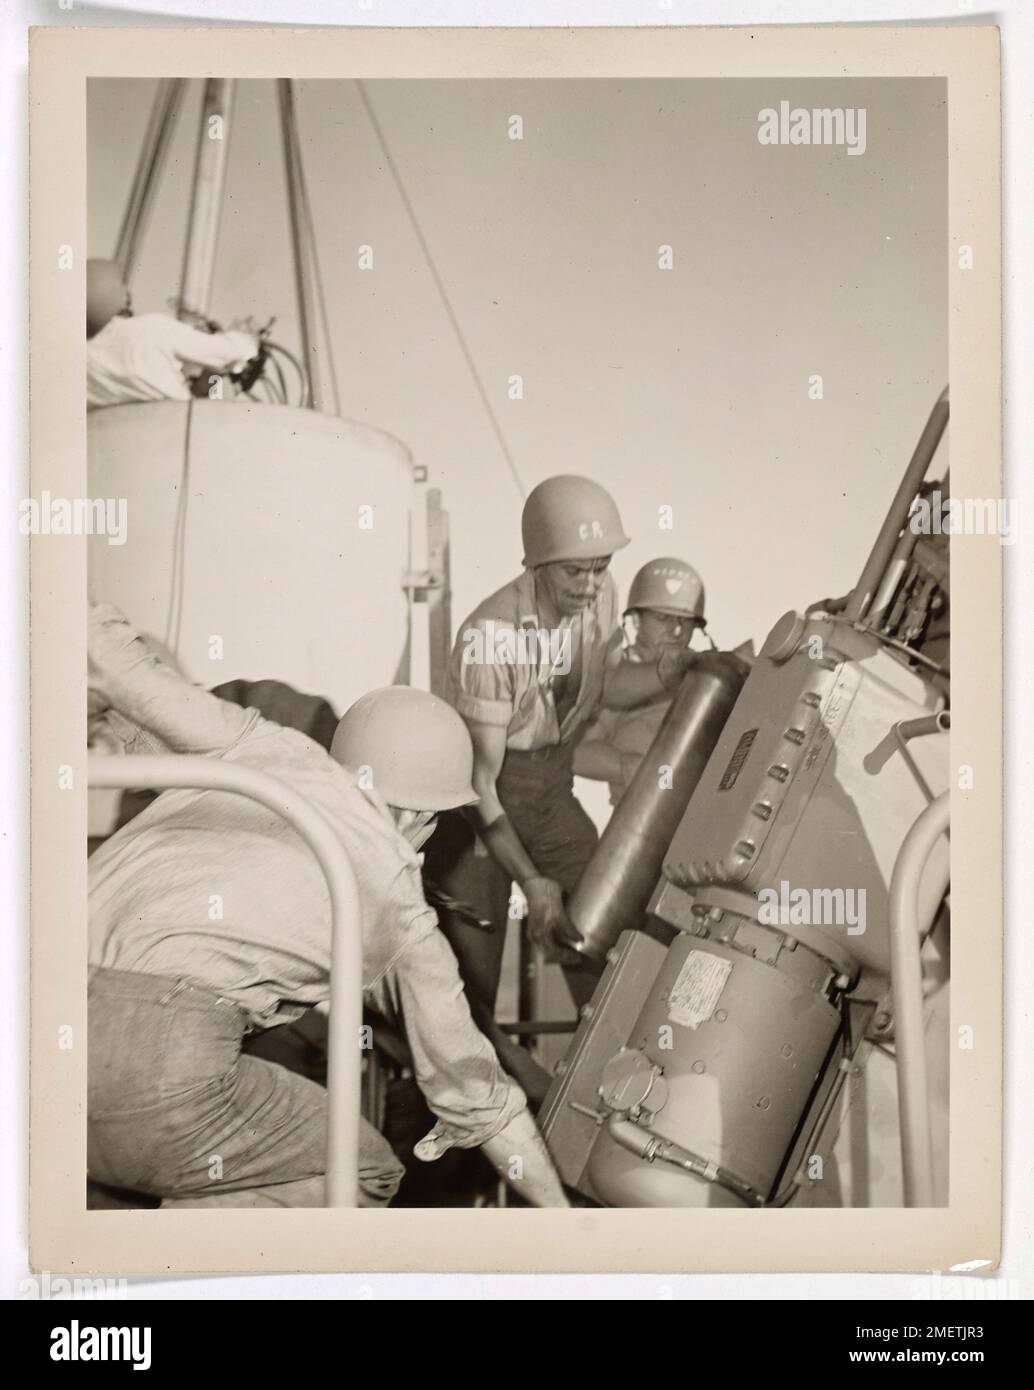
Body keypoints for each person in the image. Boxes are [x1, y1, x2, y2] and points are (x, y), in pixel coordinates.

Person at [86, 603, 568, 1208]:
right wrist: (563, 1219)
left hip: (34, 1013)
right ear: (423, 814)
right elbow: (481, 1103)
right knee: (362, 1172)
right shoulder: (397, 904)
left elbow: (110, 660)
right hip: (159, 1065)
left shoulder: (270, 746)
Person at [441, 476, 700, 1012]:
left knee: (599, 924)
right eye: (574, 570)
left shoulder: (602, 596)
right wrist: (532, 881)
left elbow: (608, 688)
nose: (589, 584)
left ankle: (608, 1057)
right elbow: (477, 781)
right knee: (469, 980)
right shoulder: (490, 637)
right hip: (480, 810)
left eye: (600, 567)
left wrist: (668, 673)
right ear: (536, 563)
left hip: (550, 785)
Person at [574, 556, 713, 805]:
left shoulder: (704, 674)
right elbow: (576, 753)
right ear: (637, 620)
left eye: (685, 621)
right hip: (645, 824)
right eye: (664, 618)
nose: (677, 631)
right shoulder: (619, 677)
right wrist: (635, 768)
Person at [86, 258, 258, 410]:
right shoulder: (149, 328)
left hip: (118, 436)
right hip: (179, 429)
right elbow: (229, 352)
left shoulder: (84, 360)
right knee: (218, 377)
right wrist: (245, 335)